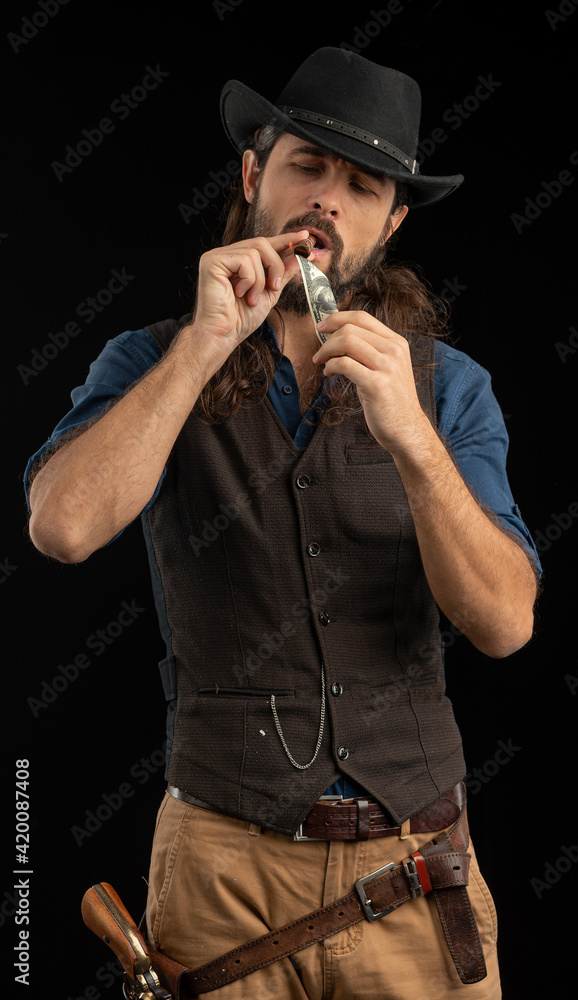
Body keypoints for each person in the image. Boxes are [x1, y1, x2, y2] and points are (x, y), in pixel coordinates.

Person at [25, 47, 540, 999]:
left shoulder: (452, 389)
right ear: (256, 175)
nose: (326, 202)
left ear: (393, 218)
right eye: (307, 165)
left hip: (416, 869)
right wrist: (201, 346)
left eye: (361, 184)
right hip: (223, 867)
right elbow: (60, 527)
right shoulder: (148, 356)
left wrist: (414, 445)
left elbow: (505, 624)